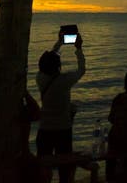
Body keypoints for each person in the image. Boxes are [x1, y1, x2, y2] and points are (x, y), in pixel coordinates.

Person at [36, 31, 86, 183]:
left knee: (44, 166)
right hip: (63, 129)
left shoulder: (40, 78)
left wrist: (59, 43)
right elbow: (81, 70)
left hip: (44, 128)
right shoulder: (65, 81)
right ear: (58, 66)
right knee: (65, 167)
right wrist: (78, 49)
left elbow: (50, 58)